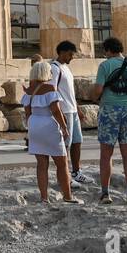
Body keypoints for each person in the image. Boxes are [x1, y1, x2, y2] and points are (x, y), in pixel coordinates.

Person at [92, 36, 127, 204]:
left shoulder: (105, 65)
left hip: (110, 110)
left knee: (106, 154)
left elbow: (98, 90)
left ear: (108, 50)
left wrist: (93, 95)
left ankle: (105, 193)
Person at [22, 61, 80, 204]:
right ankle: (68, 196)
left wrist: (32, 127)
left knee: (42, 165)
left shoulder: (29, 90)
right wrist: (64, 127)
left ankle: (44, 198)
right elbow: (55, 110)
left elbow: (27, 112)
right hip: (48, 123)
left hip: (34, 123)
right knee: (62, 163)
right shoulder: (50, 88)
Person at [51, 42, 88, 181]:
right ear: (61, 52)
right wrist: (59, 112)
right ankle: (65, 176)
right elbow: (53, 91)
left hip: (72, 109)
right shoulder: (54, 68)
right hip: (64, 110)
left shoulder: (66, 68)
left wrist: (78, 108)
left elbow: (70, 91)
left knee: (77, 141)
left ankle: (76, 172)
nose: (72, 57)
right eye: (70, 54)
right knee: (66, 144)